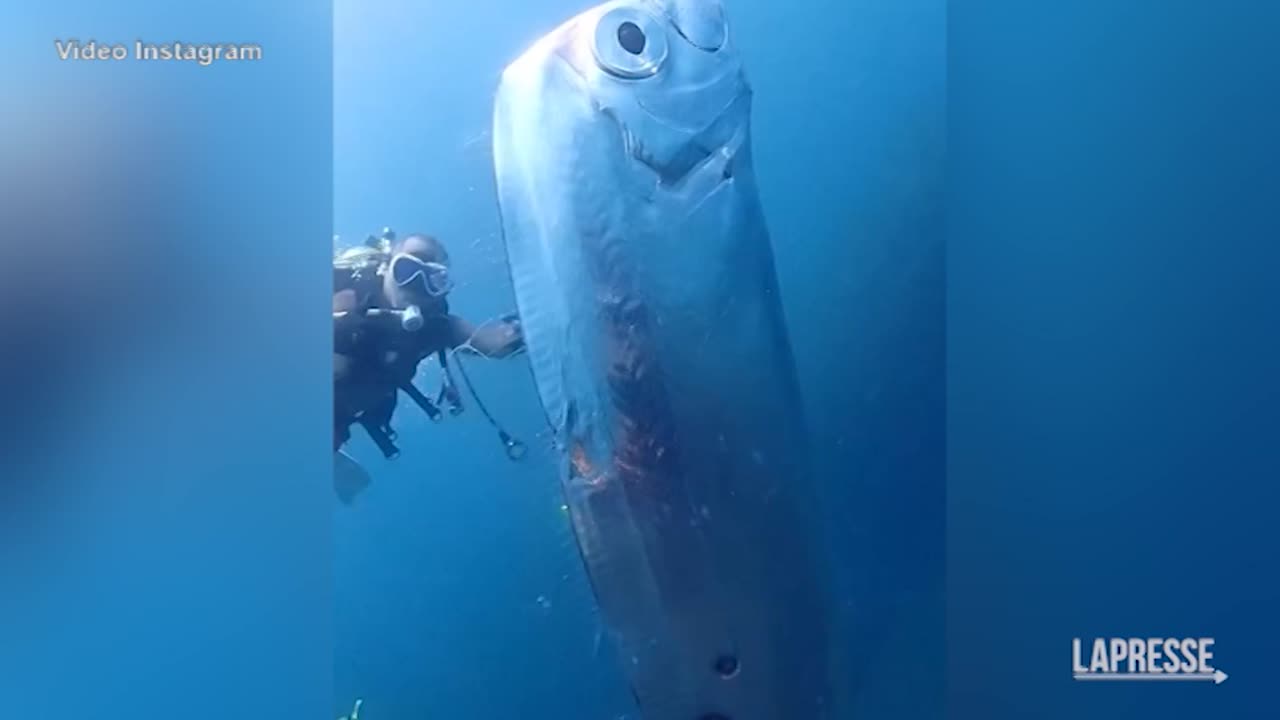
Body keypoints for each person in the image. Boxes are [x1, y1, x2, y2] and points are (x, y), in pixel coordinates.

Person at [333, 229, 525, 503]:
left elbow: (493, 344)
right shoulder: (343, 287)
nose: (415, 285)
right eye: (407, 269)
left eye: (433, 279)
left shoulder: (436, 328)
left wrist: (532, 324)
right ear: (386, 266)